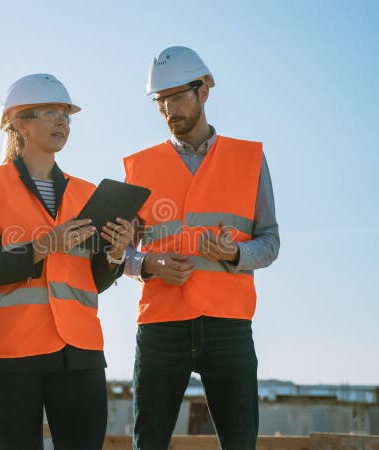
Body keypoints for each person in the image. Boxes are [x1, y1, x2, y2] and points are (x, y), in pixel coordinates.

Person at [0, 73, 134, 450]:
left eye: (67, 115)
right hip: (10, 354)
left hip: (80, 352)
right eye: (50, 113)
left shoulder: (87, 193)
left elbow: (91, 281)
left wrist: (116, 255)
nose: (62, 121)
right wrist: (42, 246)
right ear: (19, 123)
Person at [123, 46, 280, 450]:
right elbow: (118, 253)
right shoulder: (139, 168)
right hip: (161, 324)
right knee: (149, 442)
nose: (168, 109)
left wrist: (234, 255)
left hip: (228, 324)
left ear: (204, 91)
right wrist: (149, 264)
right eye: (161, 101)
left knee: (240, 442)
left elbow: (270, 241)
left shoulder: (249, 160)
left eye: (177, 97)